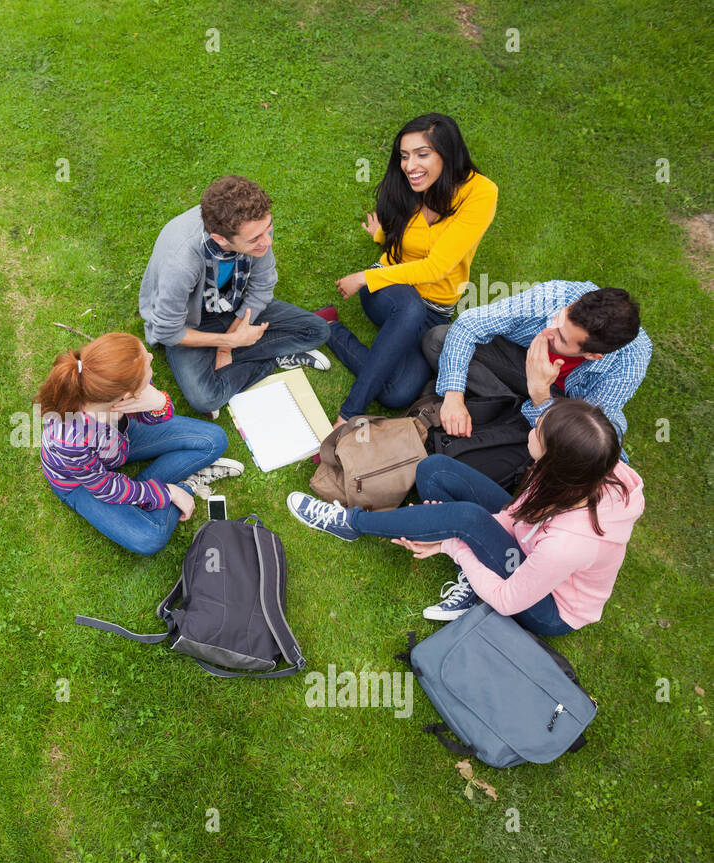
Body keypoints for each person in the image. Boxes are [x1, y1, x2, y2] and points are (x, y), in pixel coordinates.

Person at [286, 399, 643, 633]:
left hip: (548, 606)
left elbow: (507, 599)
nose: (531, 429)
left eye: (539, 431)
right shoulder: (581, 472)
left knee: (468, 521)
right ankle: (470, 569)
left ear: (556, 459)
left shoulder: (571, 542)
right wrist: (458, 526)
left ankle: (350, 524)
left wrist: (454, 545)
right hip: (527, 547)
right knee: (435, 470)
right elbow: (515, 516)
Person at [325, 113, 498, 428]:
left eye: (422, 154)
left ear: (448, 152)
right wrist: (381, 238)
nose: (409, 166)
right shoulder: (409, 186)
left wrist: (364, 277)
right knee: (408, 308)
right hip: (389, 294)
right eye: (404, 156)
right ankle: (348, 416)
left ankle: (328, 329)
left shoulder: (480, 193)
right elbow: (402, 235)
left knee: (397, 392)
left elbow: (437, 267)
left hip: (435, 308)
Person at [139, 175, 331, 416]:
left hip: (232, 301)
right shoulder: (182, 262)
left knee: (318, 330)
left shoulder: (254, 228)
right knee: (205, 399)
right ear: (220, 239)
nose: (267, 242)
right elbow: (167, 331)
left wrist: (225, 349)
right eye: (255, 239)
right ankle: (272, 357)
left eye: (268, 230)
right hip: (190, 319)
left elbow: (262, 286)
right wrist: (230, 341)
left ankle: (224, 361)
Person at [38, 332, 243, 555]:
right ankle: (184, 485)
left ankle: (138, 494)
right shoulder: (70, 441)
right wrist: (170, 492)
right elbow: (103, 487)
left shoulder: (114, 376)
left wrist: (159, 402)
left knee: (214, 440)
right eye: (147, 362)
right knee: (150, 537)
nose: (151, 357)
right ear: (127, 396)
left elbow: (151, 418)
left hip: (122, 441)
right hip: (80, 483)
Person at [422, 281, 650, 448]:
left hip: (564, 403)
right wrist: (453, 396)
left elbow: (586, 427)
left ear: (593, 355)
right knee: (439, 339)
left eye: (561, 338)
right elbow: (469, 325)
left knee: (604, 438)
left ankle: (516, 415)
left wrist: (540, 397)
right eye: (559, 318)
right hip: (517, 362)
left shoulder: (629, 363)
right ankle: (513, 417)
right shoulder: (557, 295)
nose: (549, 331)